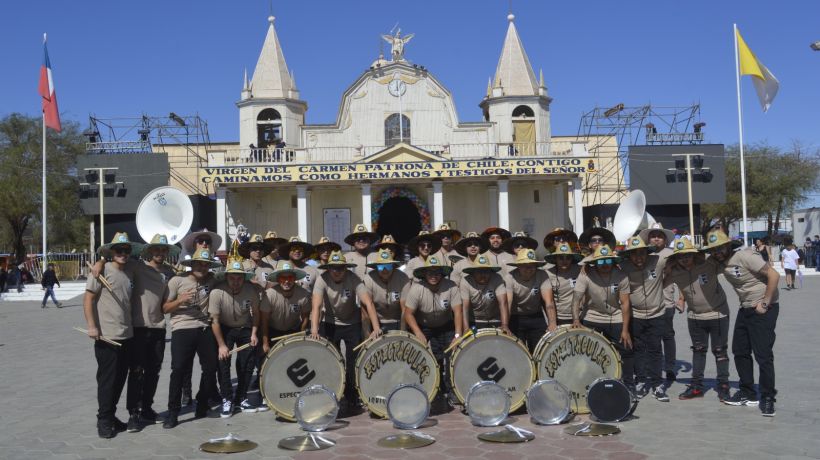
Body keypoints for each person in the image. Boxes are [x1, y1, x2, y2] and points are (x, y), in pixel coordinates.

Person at [703, 230, 780, 416]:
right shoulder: (719, 261)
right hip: (745, 308)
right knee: (740, 351)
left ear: (728, 245)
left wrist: (765, 302)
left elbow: (774, 275)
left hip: (763, 308)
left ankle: (768, 397)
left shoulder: (745, 256)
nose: (717, 252)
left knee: (763, 354)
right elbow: (699, 262)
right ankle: (748, 392)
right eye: (713, 249)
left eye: (720, 248)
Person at [309, 251, 381, 413]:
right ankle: (334, 394)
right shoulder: (322, 279)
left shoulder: (353, 278)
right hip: (330, 322)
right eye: (333, 268)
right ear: (328, 268)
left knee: (353, 361)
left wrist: (376, 327)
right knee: (332, 361)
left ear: (346, 268)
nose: (337, 271)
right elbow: (316, 306)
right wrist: (314, 329)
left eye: (341, 268)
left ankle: (352, 395)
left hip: (352, 323)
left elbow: (368, 303)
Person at [82, 233, 138, 439]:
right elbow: (88, 300)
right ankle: (103, 420)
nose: (123, 253)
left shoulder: (130, 270)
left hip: (127, 335)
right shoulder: (101, 270)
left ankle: (111, 415)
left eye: (126, 250)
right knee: (107, 381)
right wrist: (92, 326)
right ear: (111, 252)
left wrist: (102, 259)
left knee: (120, 380)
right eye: (119, 250)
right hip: (107, 336)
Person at [664, 238, 731, 402]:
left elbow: (727, 261)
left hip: (718, 314)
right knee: (698, 351)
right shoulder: (675, 272)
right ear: (676, 258)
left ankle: (723, 386)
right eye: (680, 256)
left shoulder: (709, 264)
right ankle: (696, 387)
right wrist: (667, 269)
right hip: (695, 317)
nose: (684, 259)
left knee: (720, 351)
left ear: (694, 254)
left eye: (688, 255)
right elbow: (659, 283)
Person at [162, 247, 222, 429]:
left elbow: (234, 277)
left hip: (204, 327)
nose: (202, 267)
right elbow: (164, 308)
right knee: (178, 370)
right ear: (192, 264)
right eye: (199, 264)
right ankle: (173, 412)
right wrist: (180, 300)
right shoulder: (177, 280)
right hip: (182, 328)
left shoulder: (212, 279)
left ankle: (202, 402)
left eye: (206, 264)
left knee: (211, 368)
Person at [125, 234, 177, 432]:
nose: (160, 252)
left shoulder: (170, 273)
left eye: (163, 250)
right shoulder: (138, 267)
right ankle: (133, 413)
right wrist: (99, 263)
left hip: (158, 327)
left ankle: (146, 408)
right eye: (156, 249)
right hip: (138, 327)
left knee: (154, 371)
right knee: (137, 371)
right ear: (149, 251)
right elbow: (115, 263)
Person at [571, 245, 635, 391]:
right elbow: (576, 299)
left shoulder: (621, 276)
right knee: (588, 352)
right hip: (592, 315)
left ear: (613, 261)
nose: (604, 264)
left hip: (615, 316)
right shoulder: (585, 275)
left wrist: (625, 330)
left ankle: (628, 384)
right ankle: (589, 383)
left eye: (608, 261)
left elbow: (625, 303)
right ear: (594, 263)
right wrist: (576, 320)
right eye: (600, 261)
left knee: (626, 349)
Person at [403, 256, 464, 410]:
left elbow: (458, 312)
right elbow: (408, 314)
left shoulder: (451, 287)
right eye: (430, 273)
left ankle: (452, 390)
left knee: (452, 356)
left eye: (437, 273)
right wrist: (418, 332)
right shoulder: (417, 289)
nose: (433, 276)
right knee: (422, 356)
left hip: (446, 325)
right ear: (424, 274)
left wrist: (458, 336)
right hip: (423, 326)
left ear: (442, 274)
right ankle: (427, 387)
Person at [619, 236, 669, 402]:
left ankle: (657, 384)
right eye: (634, 254)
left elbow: (679, 257)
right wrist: (585, 268)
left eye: (641, 253)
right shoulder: (624, 267)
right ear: (629, 256)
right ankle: (640, 381)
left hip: (657, 314)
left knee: (655, 350)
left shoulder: (658, 261)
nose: (638, 257)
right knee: (638, 350)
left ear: (647, 253)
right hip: (636, 315)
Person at [210, 257, 261, 417]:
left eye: (239, 278)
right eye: (232, 278)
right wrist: (221, 345)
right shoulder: (217, 292)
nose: (236, 282)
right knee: (223, 363)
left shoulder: (250, 290)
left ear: (244, 278)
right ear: (226, 277)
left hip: (245, 327)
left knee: (247, 364)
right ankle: (227, 398)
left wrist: (254, 333)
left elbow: (256, 313)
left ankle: (241, 398)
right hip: (224, 328)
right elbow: (214, 321)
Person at [638, 223, 680, 382]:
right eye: (653, 236)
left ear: (665, 239)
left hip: (666, 302)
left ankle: (670, 367)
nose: (656, 239)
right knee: (648, 338)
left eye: (659, 236)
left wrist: (682, 298)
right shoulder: (643, 254)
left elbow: (682, 277)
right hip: (647, 303)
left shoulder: (672, 254)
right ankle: (649, 368)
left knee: (667, 336)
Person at [505, 248, 551, 352]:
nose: (529, 268)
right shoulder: (509, 277)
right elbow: (508, 303)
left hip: (536, 316)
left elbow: (549, 302)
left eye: (532, 265)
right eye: (525, 265)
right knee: (517, 351)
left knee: (540, 350)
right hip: (516, 317)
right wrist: (505, 325)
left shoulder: (542, 274)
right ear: (518, 266)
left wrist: (552, 323)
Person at [363, 250, 411, 332]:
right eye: (381, 267)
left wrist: (402, 332)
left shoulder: (403, 278)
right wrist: (376, 329)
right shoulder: (368, 279)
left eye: (388, 266)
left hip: (398, 320)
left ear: (393, 266)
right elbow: (369, 305)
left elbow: (405, 308)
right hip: (376, 320)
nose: (385, 270)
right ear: (376, 267)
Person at [461, 255, 509, 332]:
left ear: (491, 272)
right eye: (479, 271)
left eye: (486, 271)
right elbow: (465, 307)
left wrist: (505, 325)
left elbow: (503, 303)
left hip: (495, 320)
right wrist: (466, 328)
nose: (483, 275)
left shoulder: (497, 278)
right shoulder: (465, 281)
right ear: (473, 273)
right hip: (474, 320)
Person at [544, 243, 583, 327]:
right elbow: (548, 300)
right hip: (559, 317)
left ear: (572, 259)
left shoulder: (580, 269)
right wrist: (552, 322)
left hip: (579, 316)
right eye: (561, 258)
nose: (564, 261)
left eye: (568, 258)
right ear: (555, 259)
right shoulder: (548, 273)